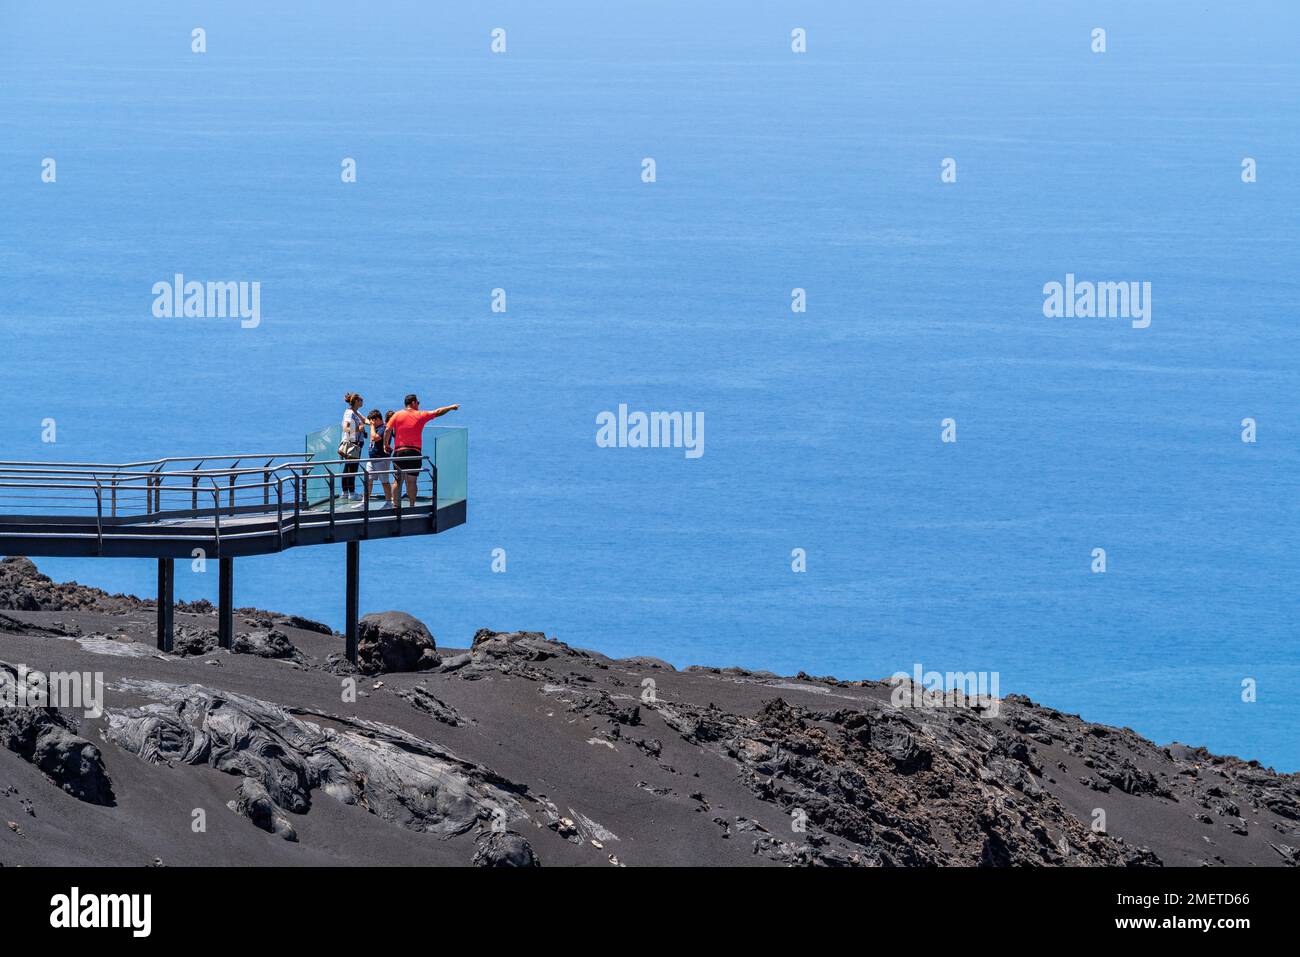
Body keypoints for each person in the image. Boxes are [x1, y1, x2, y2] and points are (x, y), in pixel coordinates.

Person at [386, 393, 459, 506]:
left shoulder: (397, 415)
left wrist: (386, 444)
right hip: (414, 453)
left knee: (397, 480)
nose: (419, 405)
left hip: (399, 452)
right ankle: (411, 506)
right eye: (418, 402)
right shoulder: (420, 415)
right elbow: (438, 412)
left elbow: (387, 429)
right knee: (412, 481)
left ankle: (395, 506)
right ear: (413, 403)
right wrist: (451, 407)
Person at [364, 408, 395, 507]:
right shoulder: (376, 427)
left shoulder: (384, 428)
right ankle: (365, 502)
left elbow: (374, 438)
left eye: (372, 421)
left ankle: (388, 502)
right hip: (372, 459)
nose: (371, 423)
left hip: (381, 459)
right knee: (368, 481)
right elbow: (365, 420)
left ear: (377, 419)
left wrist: (372, 427)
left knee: (384, 482)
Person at [339, 392, 366, 501]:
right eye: (361, 400)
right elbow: (345, 428)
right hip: (352, 444)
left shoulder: (355, 412)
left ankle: (345, 492)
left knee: (348, 468)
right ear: (356, 401)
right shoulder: (350, 413)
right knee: (352, 468)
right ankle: (352, 493)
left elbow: (365, 420)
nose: (362, 401)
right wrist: (358, 429)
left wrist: (372, 422)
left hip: (353, 443)